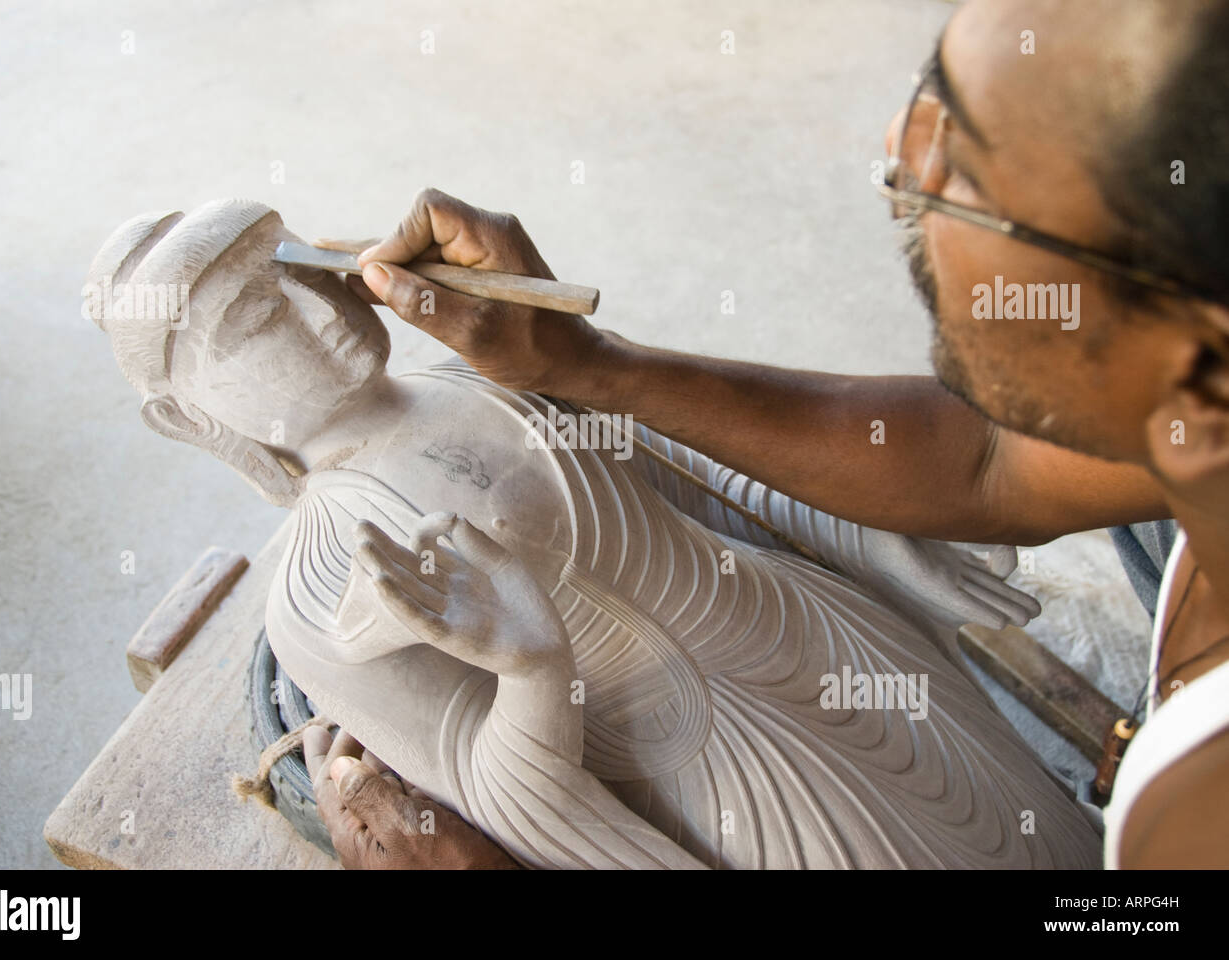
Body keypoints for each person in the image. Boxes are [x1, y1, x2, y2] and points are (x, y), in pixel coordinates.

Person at [306, 0, 1229, 868]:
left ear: (1196, 371)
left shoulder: (1194, 817)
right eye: (928, 101)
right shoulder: (1179, 432)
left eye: (968, 175)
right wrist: (587, 365)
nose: (899, 174)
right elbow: (992, 463)